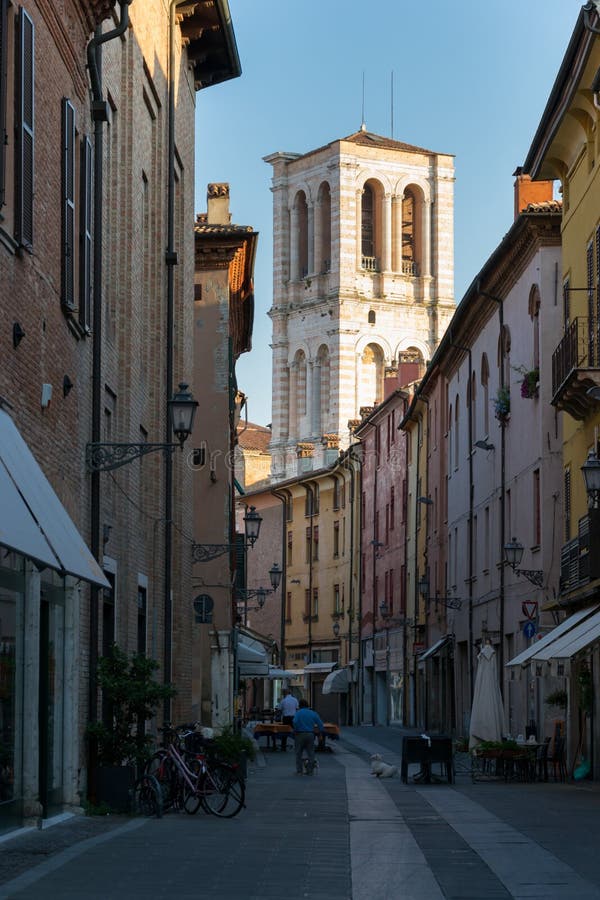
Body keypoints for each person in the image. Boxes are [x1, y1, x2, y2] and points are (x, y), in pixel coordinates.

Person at [292, 698, 325, 775]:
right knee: (311, 753)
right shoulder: (313, 713)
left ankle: (299, 771)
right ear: (307, 705)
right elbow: (320, 724)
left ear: (300, 706)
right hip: (310, 734)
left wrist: (295, 730)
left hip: (300, 734)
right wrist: (320, 733)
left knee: (298, 753)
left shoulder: (298, 713)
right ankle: (310, 771)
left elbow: (295, 722)